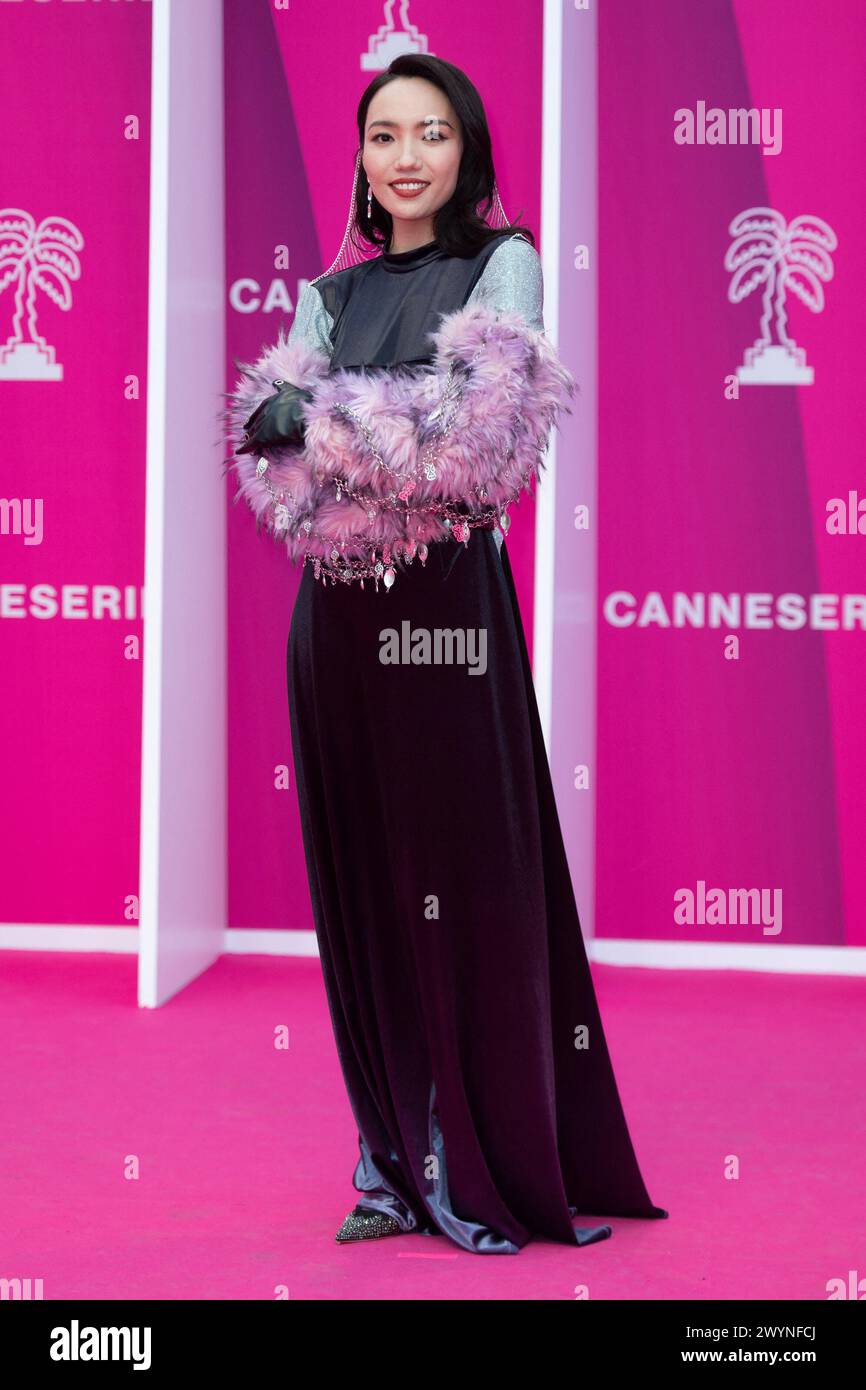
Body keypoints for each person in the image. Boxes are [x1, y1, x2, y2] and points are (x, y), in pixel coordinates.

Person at [224, 54, 667, 1254]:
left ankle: (473, 1165)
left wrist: (318, 422)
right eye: (382, 135)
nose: (404, 157)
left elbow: (475, 451)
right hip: (335, 622)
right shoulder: (328, 292)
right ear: (361, 155)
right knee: (364, 892)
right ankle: (385, 1163)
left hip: (447, 617)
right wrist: (365, 433)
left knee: (462, 883)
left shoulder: (499, 265)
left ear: (464, 149)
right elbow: (280, 483)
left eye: (428, 133)